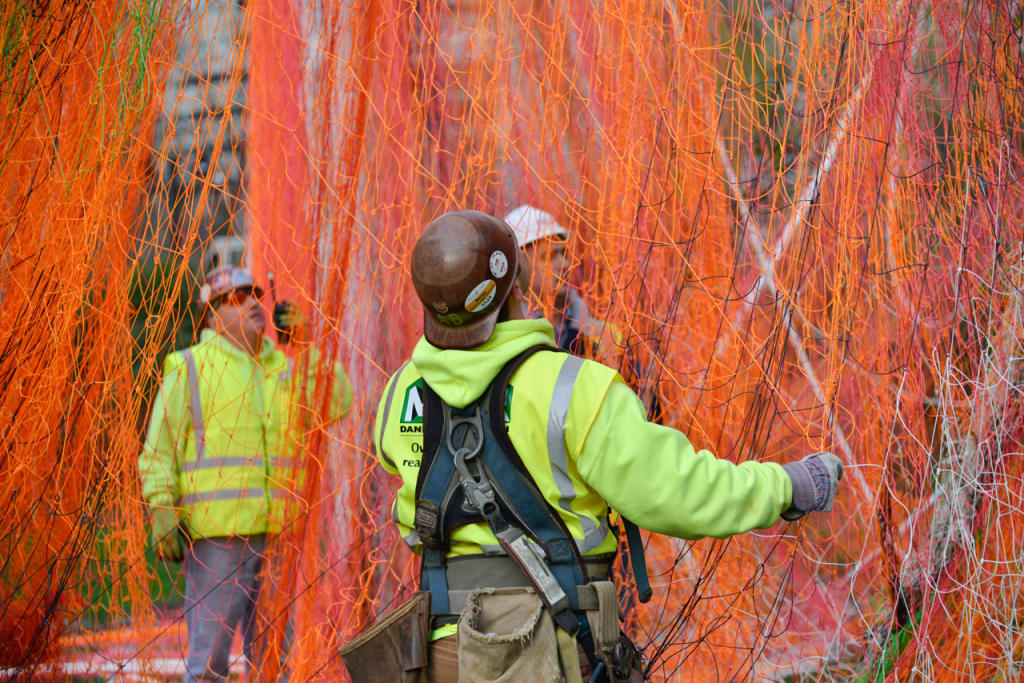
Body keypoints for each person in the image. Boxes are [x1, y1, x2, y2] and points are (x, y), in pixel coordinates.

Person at [365, 211, 843, 682]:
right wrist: (787, 486)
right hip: (550, 650)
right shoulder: (572, 388)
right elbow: (678, 492)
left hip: (442, 653)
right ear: (516, 282)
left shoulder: (398, 394)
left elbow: (407, 492)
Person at [139, 265, 353, 682]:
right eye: (236, 298)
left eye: (255, 294)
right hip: (218, 539)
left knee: (277, 662)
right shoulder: (189, 367)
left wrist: (304, 343)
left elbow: (338, 401)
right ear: (211, 317)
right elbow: (159, 449)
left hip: (279, 536)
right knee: (210, 661)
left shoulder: (283, 367)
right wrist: (161, 508)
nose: (253, 303)